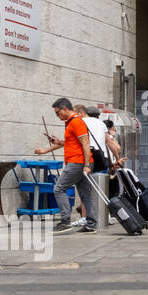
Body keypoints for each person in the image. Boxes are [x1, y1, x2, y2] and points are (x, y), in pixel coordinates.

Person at [33, 97, 97, 233]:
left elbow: (85, 143)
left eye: (57, 113)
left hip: (77, 163)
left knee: (59, 189)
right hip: (80, 162)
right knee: (85, 194)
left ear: (65, 109)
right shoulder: (70, 123)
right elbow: (69, 143)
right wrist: (46, 149)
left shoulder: (76, 122)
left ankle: (65, 221)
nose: (57, 116)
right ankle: (91, 224)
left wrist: (86, 165)